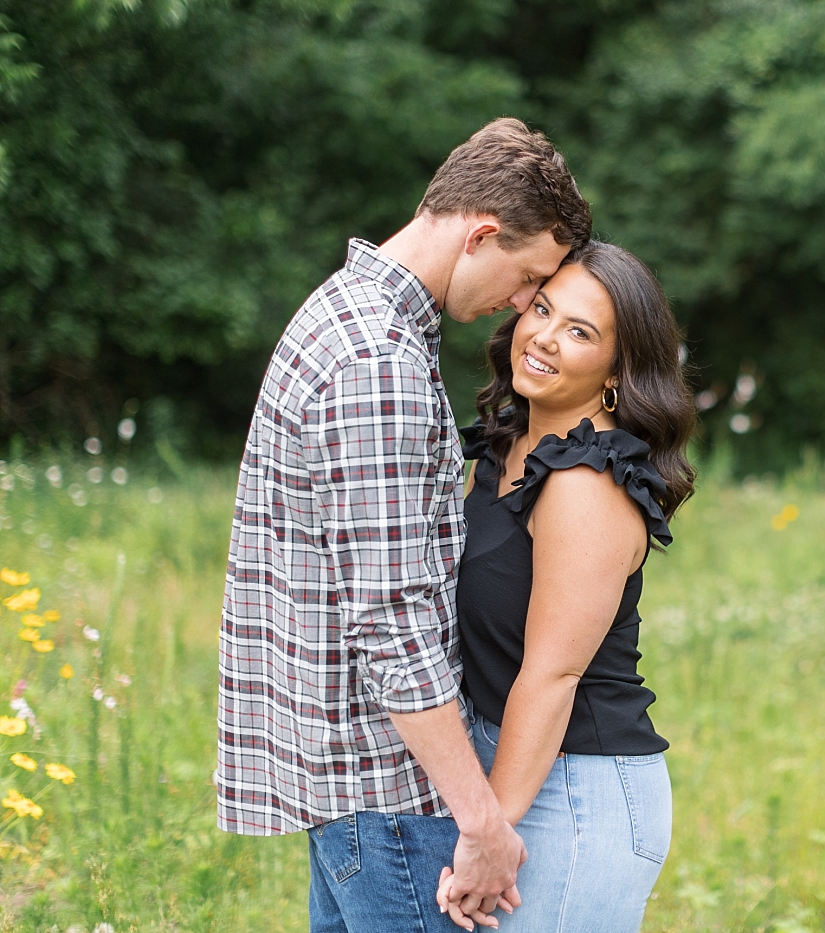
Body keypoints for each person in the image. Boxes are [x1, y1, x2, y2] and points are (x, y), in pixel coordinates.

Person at [216, 117, 592, 933]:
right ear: (482, 233)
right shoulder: (379, 362)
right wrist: (481, 817)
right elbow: (392, 620)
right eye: (528, 277)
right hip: (390, 793)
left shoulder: (339, 313)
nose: (523, 306)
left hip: (346, 786)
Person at [435, 240, 696, 931]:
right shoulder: (512, 441)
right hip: (516, 767)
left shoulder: (585, 484)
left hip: (577, 796)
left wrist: (488, 831)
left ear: (617, 372)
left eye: (580, 331)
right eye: (543, 308)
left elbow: (552, 675)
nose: (545, 336)